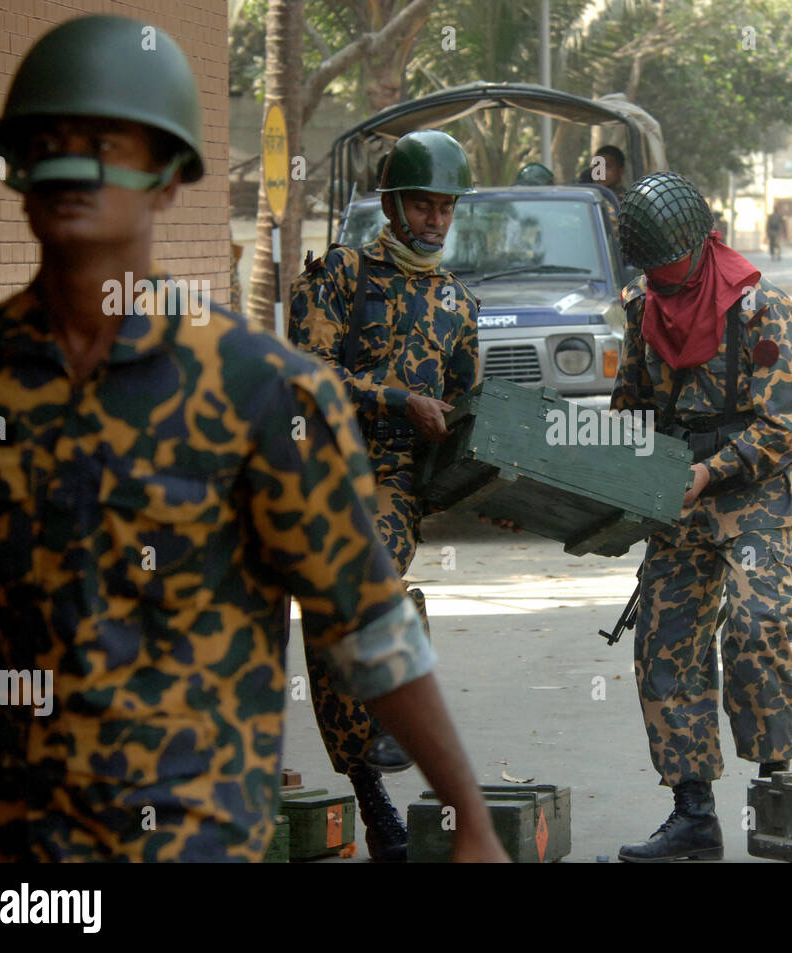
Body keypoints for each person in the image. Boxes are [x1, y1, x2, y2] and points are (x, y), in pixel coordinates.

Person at [0, 14, 507, 863]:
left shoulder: (258, 391)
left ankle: (377, 788)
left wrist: (467, 811)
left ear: (169, 178)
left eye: (110, 141)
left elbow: (364, 617)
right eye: (50, 139)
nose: (75, 163)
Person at [288, 128, 480, 862]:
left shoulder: (457, 304)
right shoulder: (340, 273)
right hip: (318, 466)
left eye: (445, 208)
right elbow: (307, 373)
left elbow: (466, 411)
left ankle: (396, 703)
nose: (435, 220)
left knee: (366, 582)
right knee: (329, 624)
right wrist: (396, 398)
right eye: (423, 206)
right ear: (394, 205)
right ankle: (371, 794)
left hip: (392, 481)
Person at [610, 172, 792, 862]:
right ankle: (693, 814)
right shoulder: (642, 307)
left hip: (750, 488)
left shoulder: (763, 310)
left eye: (672, 277)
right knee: (664, 647)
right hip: (677, 494)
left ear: (700, 247)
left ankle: (780, 793)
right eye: (652, 280)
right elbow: (630, 411)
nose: (664, 291)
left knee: (759, 625)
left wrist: (709, 472)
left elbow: (785, 428)